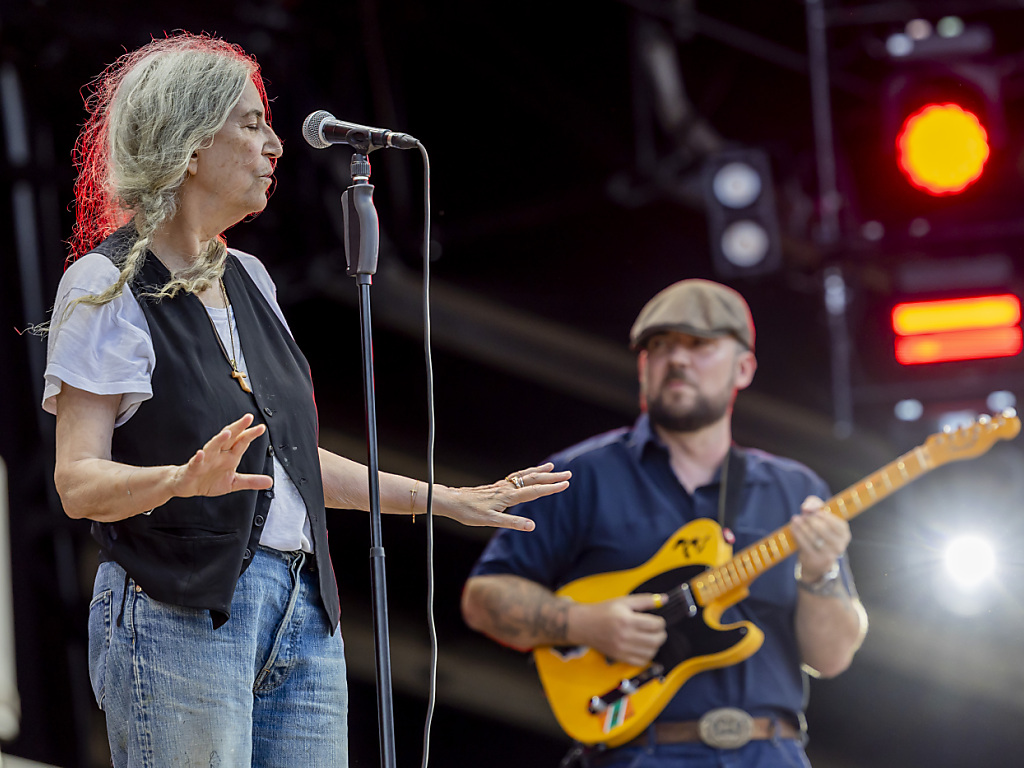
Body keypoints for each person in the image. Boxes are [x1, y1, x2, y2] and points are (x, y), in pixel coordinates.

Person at [41, 33, 570, 768]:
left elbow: (291, 462)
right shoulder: (104, 286)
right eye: (251, 123)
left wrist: (442, 499)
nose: (276, 146)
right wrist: (180, 483)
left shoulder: (251, 278)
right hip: (177, 610)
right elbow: (77, 483)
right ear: (190, 145)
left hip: (301, 607)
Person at [461, 279, 868, 767]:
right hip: (639, 754)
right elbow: (483, 598)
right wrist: (584, 623)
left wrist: (820, 573)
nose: (677, 359)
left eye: (699, 345)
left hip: (771, 751)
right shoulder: (579, 475)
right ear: (643, 366)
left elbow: (831, 659)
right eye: (660, 346)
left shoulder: (795, 489)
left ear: (744, 368)